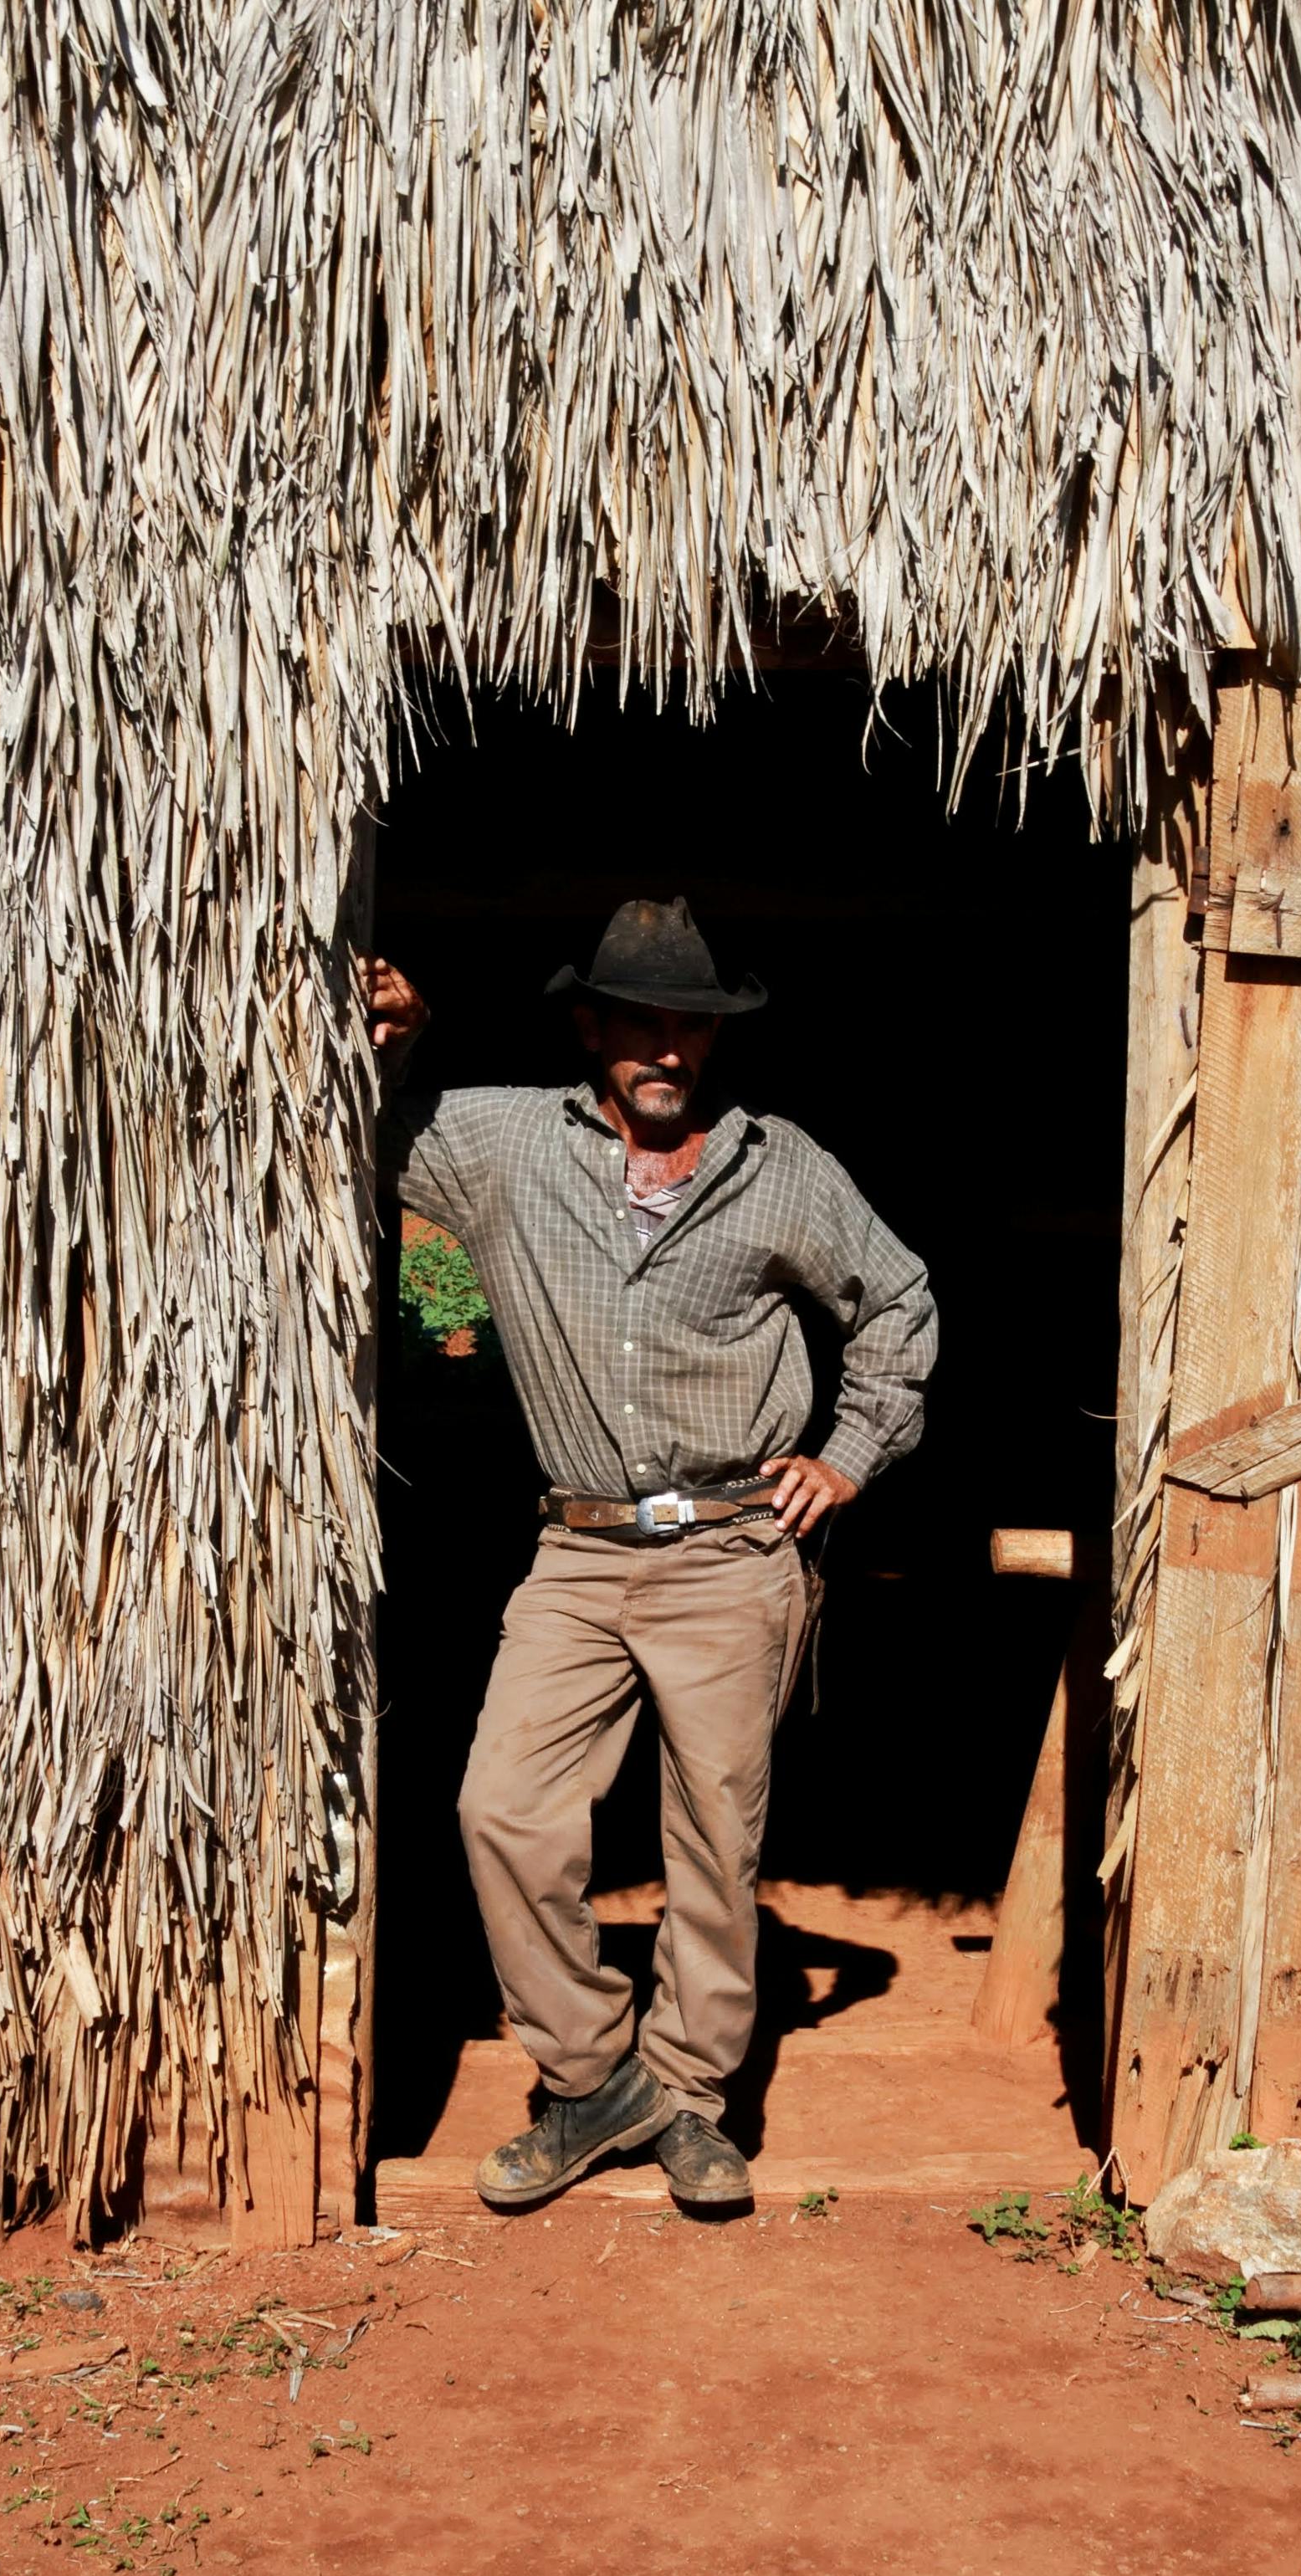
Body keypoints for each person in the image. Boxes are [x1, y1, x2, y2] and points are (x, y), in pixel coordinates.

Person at [370, 899, 936, 2212]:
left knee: (712, 1843)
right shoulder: (498, 1142)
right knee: (501, 1808)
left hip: (734, 1548)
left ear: (716, 1034)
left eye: (690, 1022)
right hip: (574, 1548)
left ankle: (687, 2097)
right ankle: (588, 2079)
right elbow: (364, 1136)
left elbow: (896, 1299)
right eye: (640, 1020)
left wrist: (851, 1451)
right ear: (592, 1027)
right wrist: (399, 1034)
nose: (666, 1047)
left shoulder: (778, 1165)